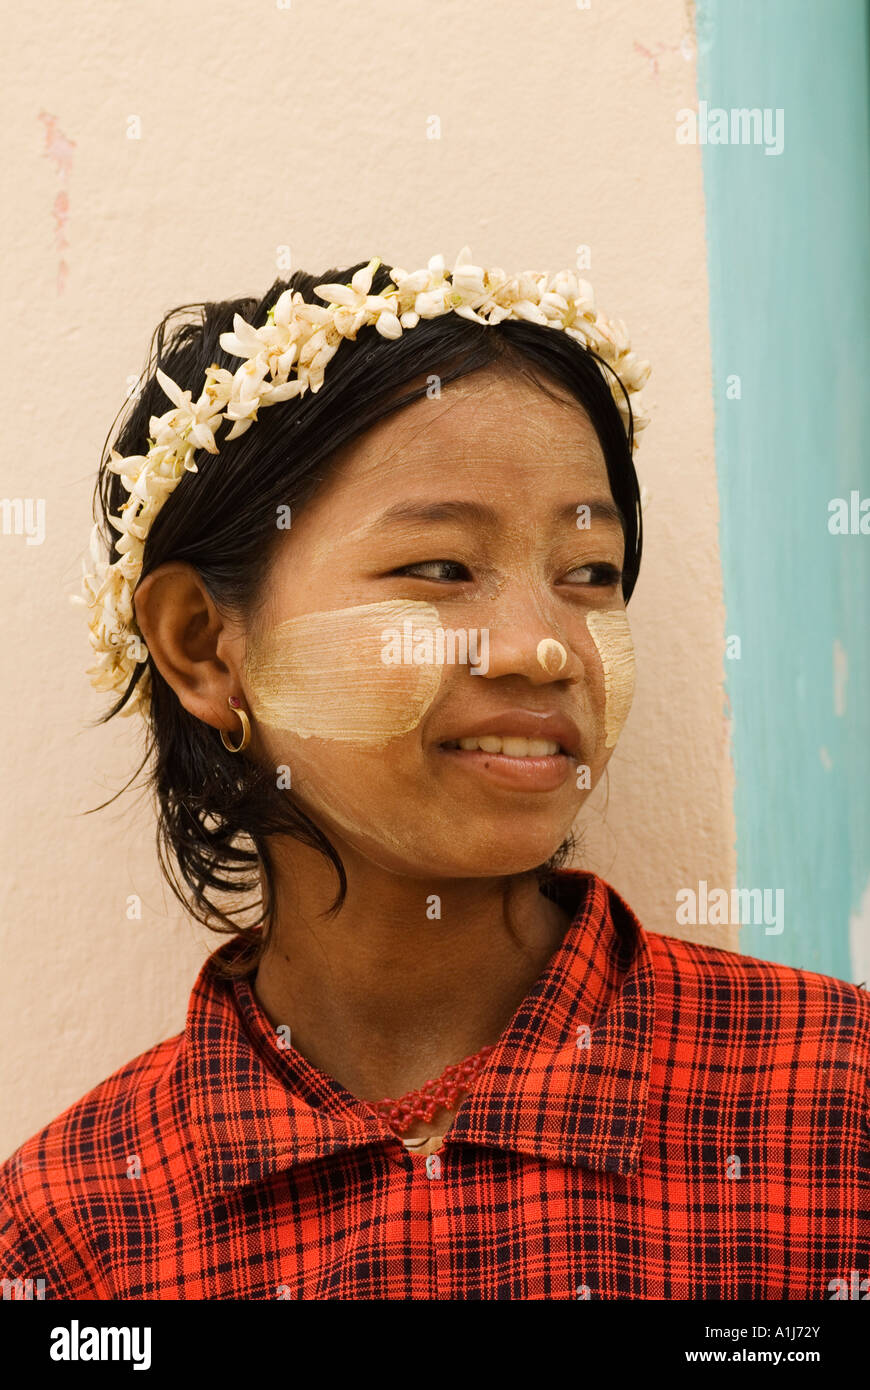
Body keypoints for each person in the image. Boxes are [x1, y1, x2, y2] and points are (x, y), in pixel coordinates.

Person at [0, 252, 866, 1301]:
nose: (542, 648)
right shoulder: (70, 1237)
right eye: (443, 569)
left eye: (588, 575)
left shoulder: (834, 1100)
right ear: (204, 646)